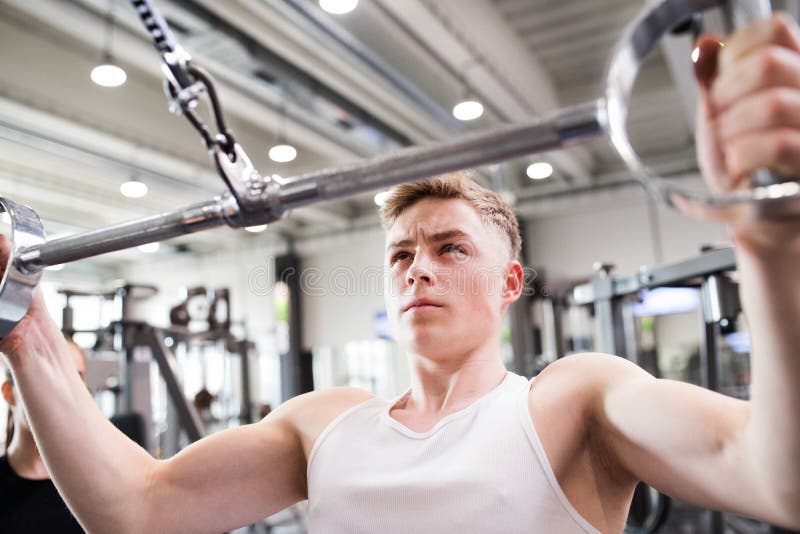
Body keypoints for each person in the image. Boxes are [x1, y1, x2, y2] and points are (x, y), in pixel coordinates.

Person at [2, 15, 800, 534]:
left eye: (451, 249)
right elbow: (136, 509)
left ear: (511, 282)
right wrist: (24, 328)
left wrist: (769, 240)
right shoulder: (325, 424)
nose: (419, 268)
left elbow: (777, 479)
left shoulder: (574, 401)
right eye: (401, 254)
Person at [0, 337, 87, 533]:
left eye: (76, 379)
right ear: (9, 393)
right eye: (43, 376)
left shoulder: (97, 488)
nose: (60, 392)